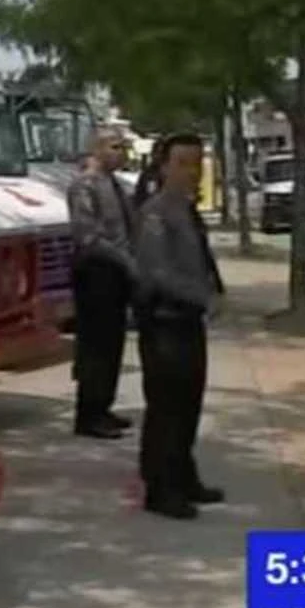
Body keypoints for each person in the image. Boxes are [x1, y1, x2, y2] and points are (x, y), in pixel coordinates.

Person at [134, 132, 225, 520]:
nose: (191, 171)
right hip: (165, 323)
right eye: (182, 163)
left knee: (189, 405)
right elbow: (157, 274)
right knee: (167, 409)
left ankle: (184, 477)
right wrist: (201, 296)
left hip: (188, 323)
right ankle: (160, 488)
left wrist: (215, 289)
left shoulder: (186, 208)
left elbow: (201, 259)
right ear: (164, 166)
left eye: (196, 162)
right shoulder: (155, 212)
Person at [66, 131, 138, 439]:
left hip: (117, 274)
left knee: (113, 343)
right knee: (96, 345)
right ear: (96, 148)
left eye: (124, 147)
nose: (121, 153)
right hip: (96, 273)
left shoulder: (117, 186)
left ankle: (103, 406)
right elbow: (88, 236)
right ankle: (89, 414)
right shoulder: (84, 185)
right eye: (115, 146)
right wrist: (124, 259)